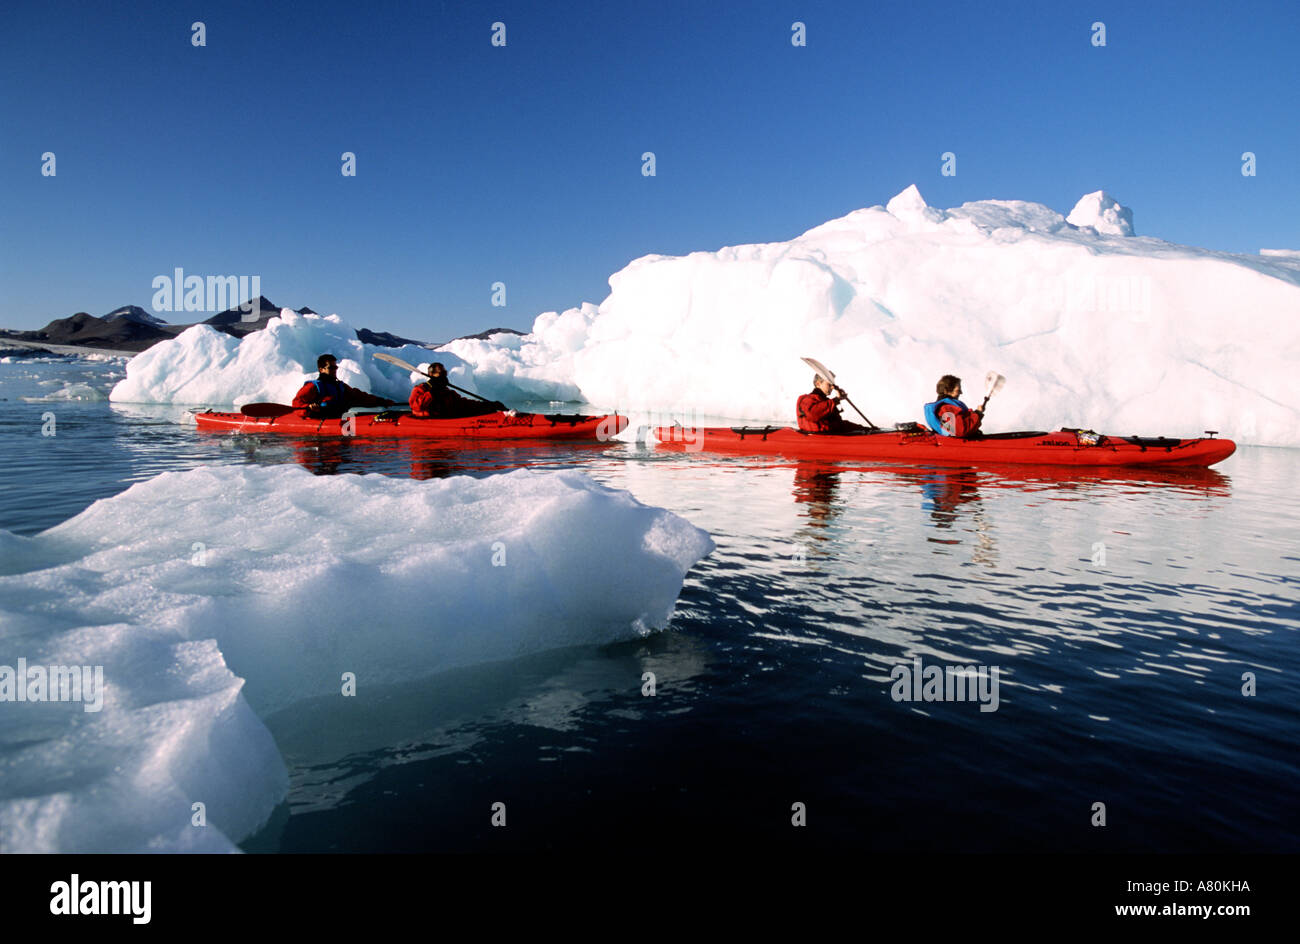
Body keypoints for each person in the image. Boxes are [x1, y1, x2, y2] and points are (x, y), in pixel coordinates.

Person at [292, 354, 398, 418]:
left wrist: (382, 401)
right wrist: (308, 408)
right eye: (331, 368)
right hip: (320, 419)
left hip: (338, 417)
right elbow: (297, 404)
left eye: (336, 367)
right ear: (321, 369)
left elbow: (360, 397)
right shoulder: (312, 387)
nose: (335, 370)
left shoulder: (340, 386)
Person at [408, 361, 504, 418]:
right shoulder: (421, 389)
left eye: (444, 372)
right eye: (440, 373)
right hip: (429, 421)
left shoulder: (446, 392)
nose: (444, 375)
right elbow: (416, 406)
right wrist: (433, 392)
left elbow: (464, 404)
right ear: (431, 375)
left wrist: (488, 405)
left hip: (446, 419)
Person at [796, 374, 869, 433]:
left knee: (859, 428)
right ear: (818, 384)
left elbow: (839, 423)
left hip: (830, 435)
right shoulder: (806, 399)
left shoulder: (826, 401)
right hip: (819, 438)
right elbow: (813, 414)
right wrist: (836, 400)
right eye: (829, 384)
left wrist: (862, 428)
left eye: (833, 385)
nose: (832, 387)